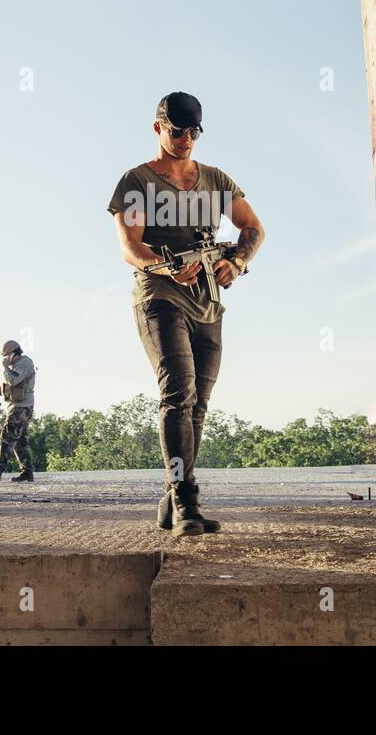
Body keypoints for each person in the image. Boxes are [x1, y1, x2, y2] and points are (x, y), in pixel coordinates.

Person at [107, 92, 264, 536]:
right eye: (178, 131)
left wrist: (236, 262)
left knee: (199, 406)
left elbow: (253, 227)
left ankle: (169, 497)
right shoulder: (137, 182)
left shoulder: (215, 181)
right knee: (179, 393)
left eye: (194, 131)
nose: (187, 139)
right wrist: (169, 267)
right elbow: (130, 247)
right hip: (160, 296)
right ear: (159, 128)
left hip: (209, 302)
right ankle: (185, 503)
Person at [0, 340, 36, 483]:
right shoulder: (17, 366)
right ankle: (27, 472)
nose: (5, 360)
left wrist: (5, 368)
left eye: (6, 356)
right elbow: (10, 385)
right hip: (18, 406)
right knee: (20, 442)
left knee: (7, 436)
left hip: (21, 407)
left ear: (13, 354)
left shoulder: (24, 363)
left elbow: (13, 381)